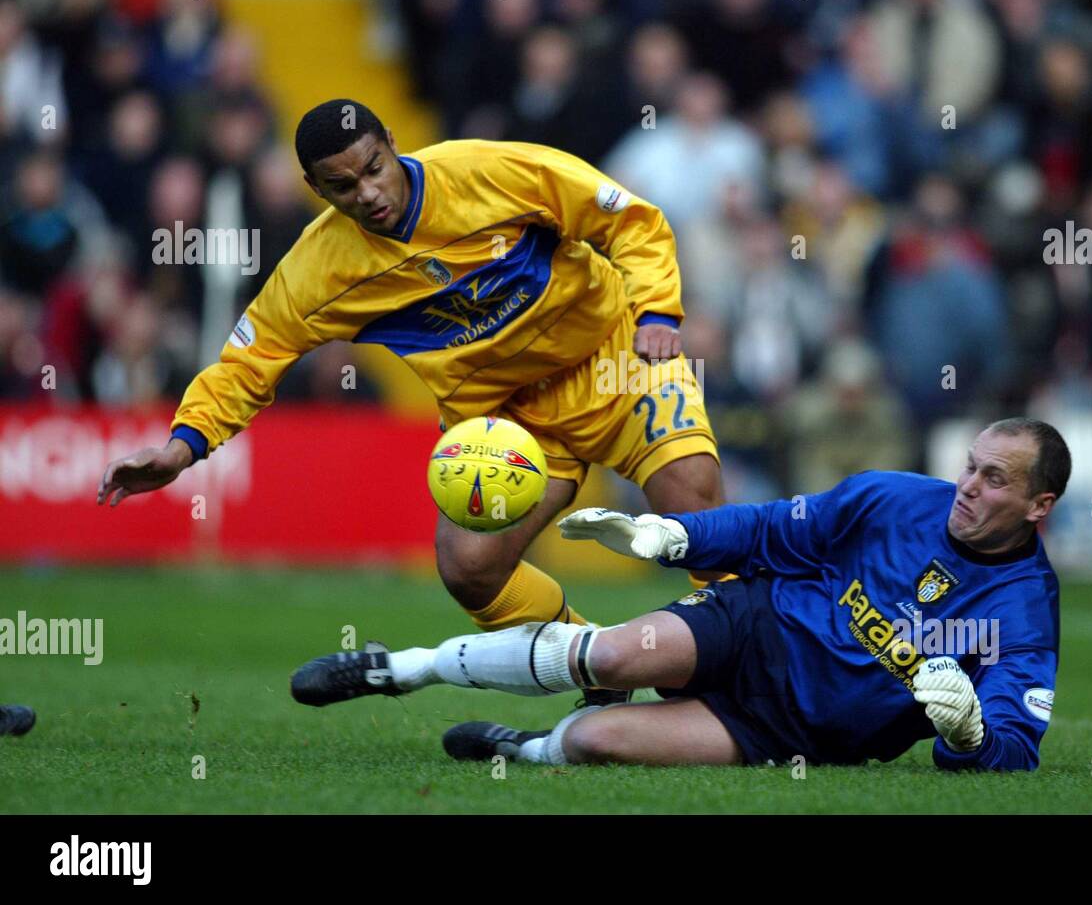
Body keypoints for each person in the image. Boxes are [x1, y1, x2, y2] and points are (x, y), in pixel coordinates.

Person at [97, 99, 725, 707]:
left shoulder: (486, 170)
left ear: (394, 144)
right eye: (342, 187)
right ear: (318, 192)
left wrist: (657, 311)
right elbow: (247, 365)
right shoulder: (318, 271)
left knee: (689, 493)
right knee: (469, 566)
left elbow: (627, 218)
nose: (367, 193)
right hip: (507, 420)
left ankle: (732, 667)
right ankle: (595, 666)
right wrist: (183, 448)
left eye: (373, 168)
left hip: (614, 358)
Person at [291, 418, 1069, 771]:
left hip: (795, 732)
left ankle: (517, 750)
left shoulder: (1024, 611)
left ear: (1040, 505)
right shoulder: (897, 497)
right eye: (970, 464)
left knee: (596, 744)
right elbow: (774, 529)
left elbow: (1013, 747)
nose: (966, 487)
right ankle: (403, 667)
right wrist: (672, 538)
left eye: (993, 479)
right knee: (615, 656)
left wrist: (967, 738)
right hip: (757, 623)